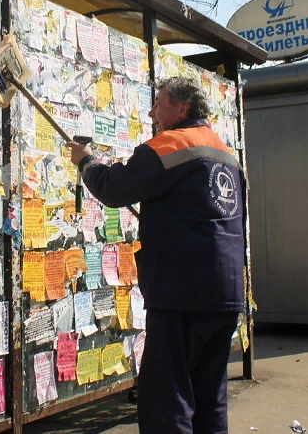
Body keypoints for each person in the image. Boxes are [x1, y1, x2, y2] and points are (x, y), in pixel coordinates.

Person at [67, 77, 245, 434]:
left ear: (182, 108)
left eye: (159, 103)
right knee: (210, 397)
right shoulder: (227, 155)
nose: (152, 113)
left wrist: (85, 162)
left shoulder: (169, 146)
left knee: (168, 398)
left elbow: (115, 187)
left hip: (182, 294)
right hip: (225, 295)